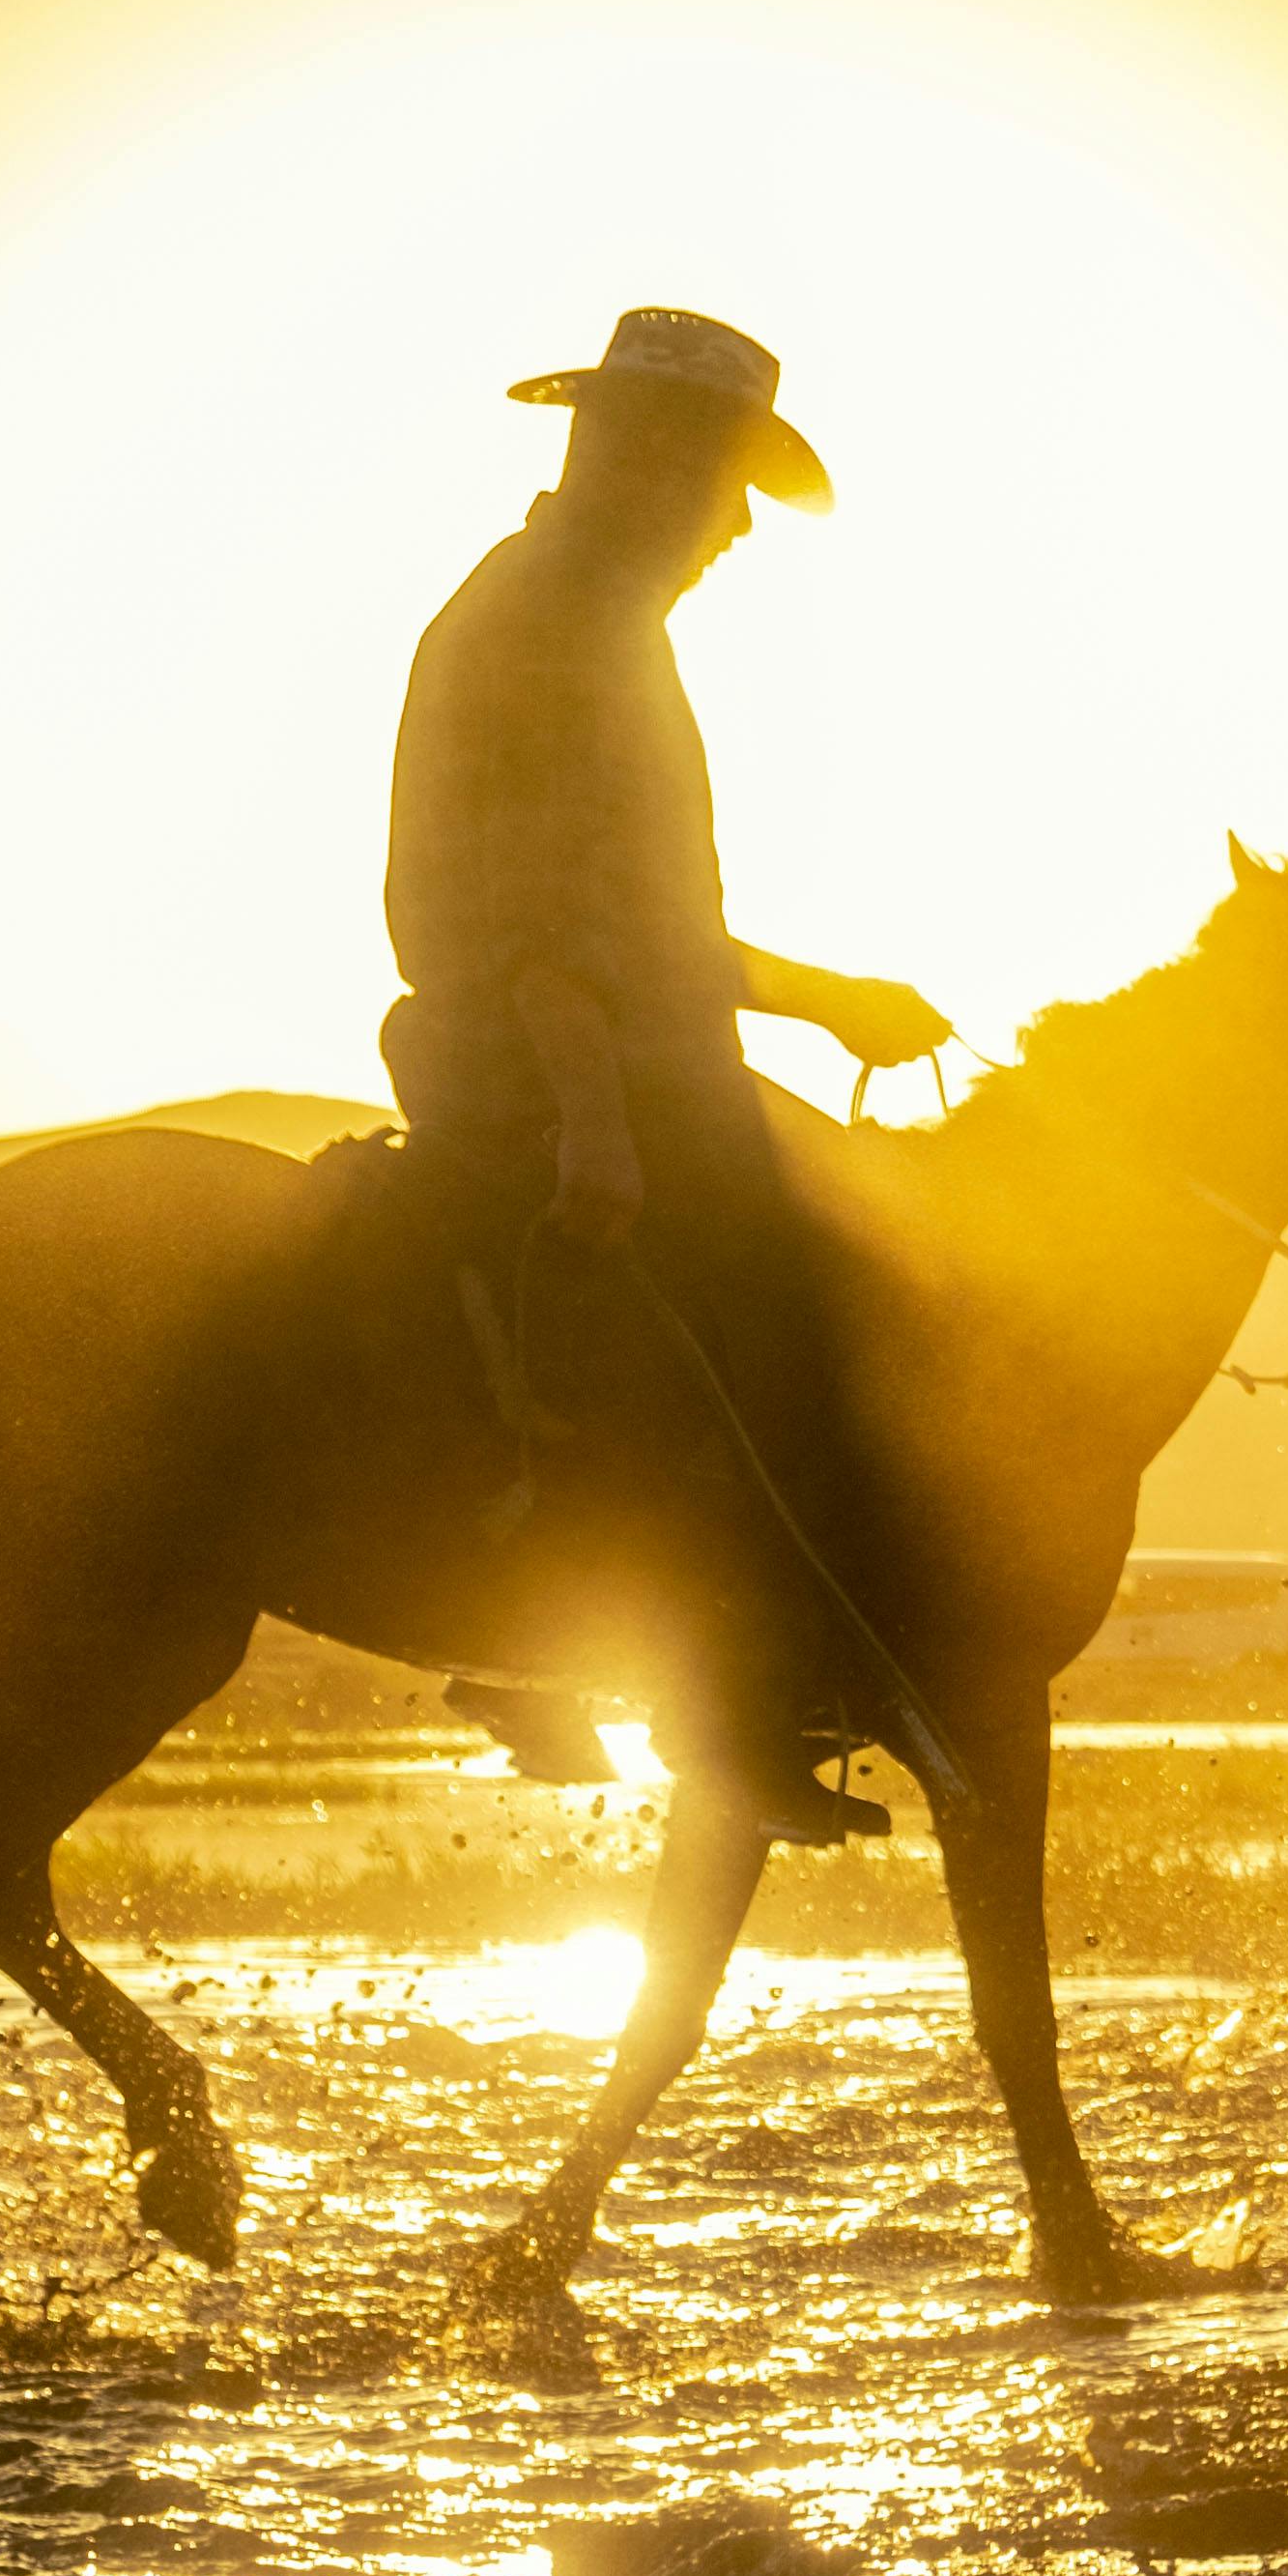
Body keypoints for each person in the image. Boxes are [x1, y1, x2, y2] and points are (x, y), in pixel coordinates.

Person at [379, 305, 955, 1842]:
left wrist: (819, 998)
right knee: (810, 1288)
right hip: (549, 1064)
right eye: (724, 493)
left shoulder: (574, 616)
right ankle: (732, 1697)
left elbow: (642, 919)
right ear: (638, 463)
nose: (736, 532)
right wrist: (589, 1113)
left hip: (598, 1046)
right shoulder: (558, 627)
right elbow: (545, 921)